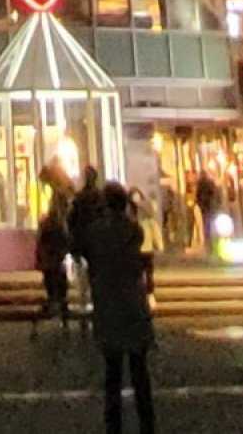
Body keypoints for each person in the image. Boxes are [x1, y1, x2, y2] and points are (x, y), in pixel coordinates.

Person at [83, 183, 157, 434]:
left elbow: (84, 249)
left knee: (112, 373)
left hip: (109, 304)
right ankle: (147, 422)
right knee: (139, 371)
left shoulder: (97, 232)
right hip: (132, 304)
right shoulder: (132, 230)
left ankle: (113, 424)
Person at [36, 191, 75, 327]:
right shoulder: (57, 222)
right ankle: (60, 318)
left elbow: (42, 241)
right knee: (59, 290)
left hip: (52, 261)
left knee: (55, 291)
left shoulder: (49, 221)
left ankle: (58, 316)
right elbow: (62, 240)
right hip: (54, 261)